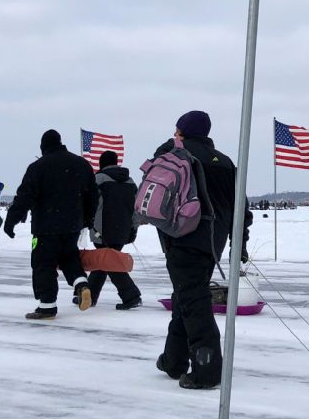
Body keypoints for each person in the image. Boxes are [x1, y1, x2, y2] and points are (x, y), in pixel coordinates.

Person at [152, 110, 233, 390]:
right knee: (186, 296)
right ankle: (174, 360)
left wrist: (170, 146)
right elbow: (240, 206)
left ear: (183, 131)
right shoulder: (224, 162)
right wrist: (240, 241)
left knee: (194, 302)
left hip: (184, 237)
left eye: (176, 130)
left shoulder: (177, 155)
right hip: (213, 242)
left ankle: (206, 370)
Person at [3, 129, 98, 320]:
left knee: (43, 264)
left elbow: (24, 196)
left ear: (43, 146)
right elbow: (92, 196)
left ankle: (47, 306)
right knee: (69, 258)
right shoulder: (81, 164)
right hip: (72, 225)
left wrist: (11, 221)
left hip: (46, 226)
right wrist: (87, 219)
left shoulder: (38, 167)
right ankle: (81, 284)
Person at [85, 150, 142, 310]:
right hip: (122, 230)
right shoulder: (130, 182)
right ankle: (89, 296)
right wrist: (133, 228)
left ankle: (131, 295)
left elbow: (92, 206)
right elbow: (135, 209)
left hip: (102, 230)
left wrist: (88, 223)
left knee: (107, 262)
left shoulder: (99, 180)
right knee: (103, 262)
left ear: (101, 163)